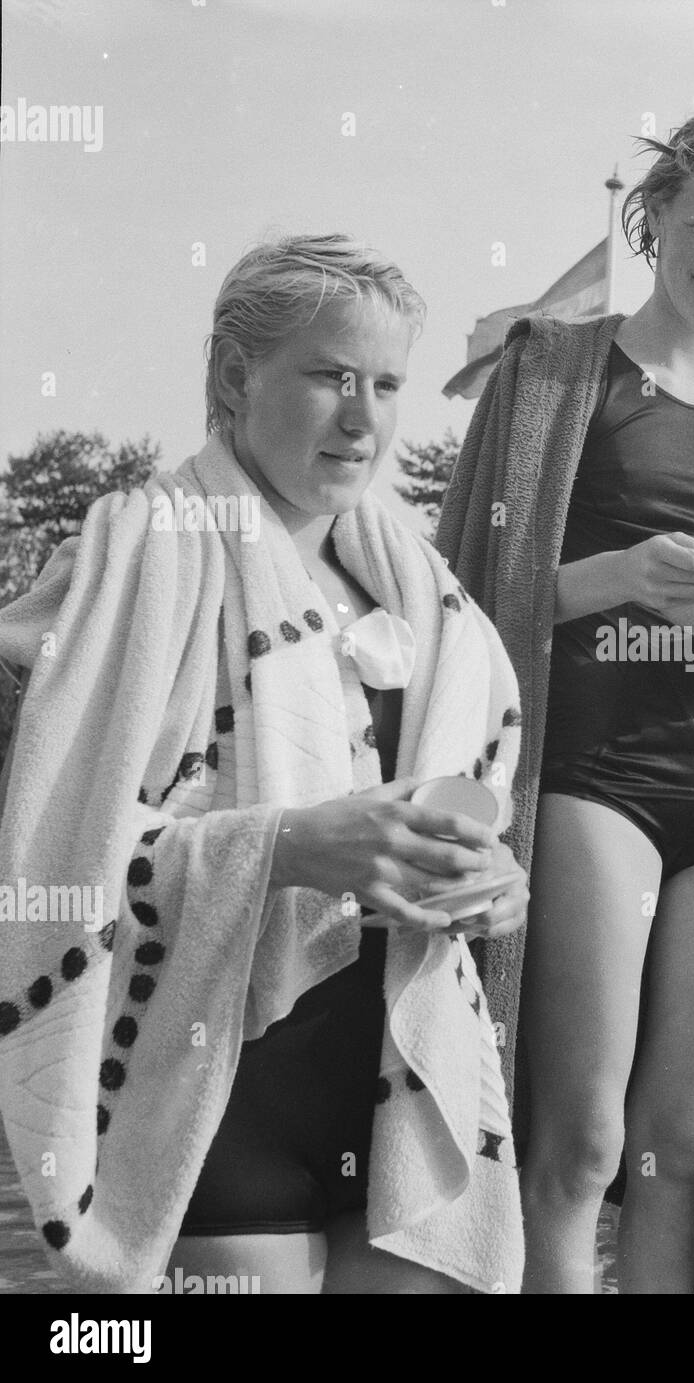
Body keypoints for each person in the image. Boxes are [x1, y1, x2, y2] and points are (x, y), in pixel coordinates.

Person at [0, 234, 528, 1294]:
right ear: (238, 377)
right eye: (331, 374)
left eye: (386, 383)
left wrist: (492, 886)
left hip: (398, 1061)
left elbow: (471, 809)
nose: (364, 416)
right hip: (211, 1071)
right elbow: (50, 853)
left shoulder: (426, 592)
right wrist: (284, 846)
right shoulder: (127, 560)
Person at [436, 111, 694, 1293]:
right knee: (580, 1143)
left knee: (681, 1148)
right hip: (591, 778)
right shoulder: (549, 375)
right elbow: (458, 593)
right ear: (654, 216)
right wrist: (612, 579)